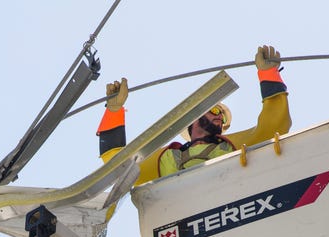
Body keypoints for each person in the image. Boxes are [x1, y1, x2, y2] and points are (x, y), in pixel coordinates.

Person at [96, 45, 291, 183]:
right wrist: (114, 111)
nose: (220, 118)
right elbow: (117, 166)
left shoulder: (232, 145)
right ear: (194, 118)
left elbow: (274, 125)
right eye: (215, 111)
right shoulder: (168, 157)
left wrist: (268, 74)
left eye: (222, 117)